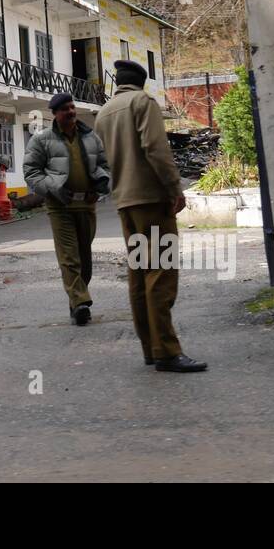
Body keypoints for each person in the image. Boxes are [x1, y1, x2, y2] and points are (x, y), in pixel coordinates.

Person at [97, 59, 206, 373]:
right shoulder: (142, 102)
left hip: (125, 203)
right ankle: (168, 351)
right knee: (161, 272)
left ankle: (150, 347)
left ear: (118, 81)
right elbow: (156, 149)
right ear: (141, 83)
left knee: (139, 274)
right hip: (152, 200)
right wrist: (175, 188)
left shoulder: (104, 112)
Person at [23, 92, 111, 325]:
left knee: (84, 259)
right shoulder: (41, 140)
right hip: (60, 207)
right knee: (69, 256)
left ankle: (76, 300)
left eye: (72, 107)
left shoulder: (91, 137)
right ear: (55, 114)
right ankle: (81, 302)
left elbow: (104, 166)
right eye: (65, 109)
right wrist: (52, 188)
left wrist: (101, 184)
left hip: (87, 205)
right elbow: (31, 173)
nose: (70, 112)